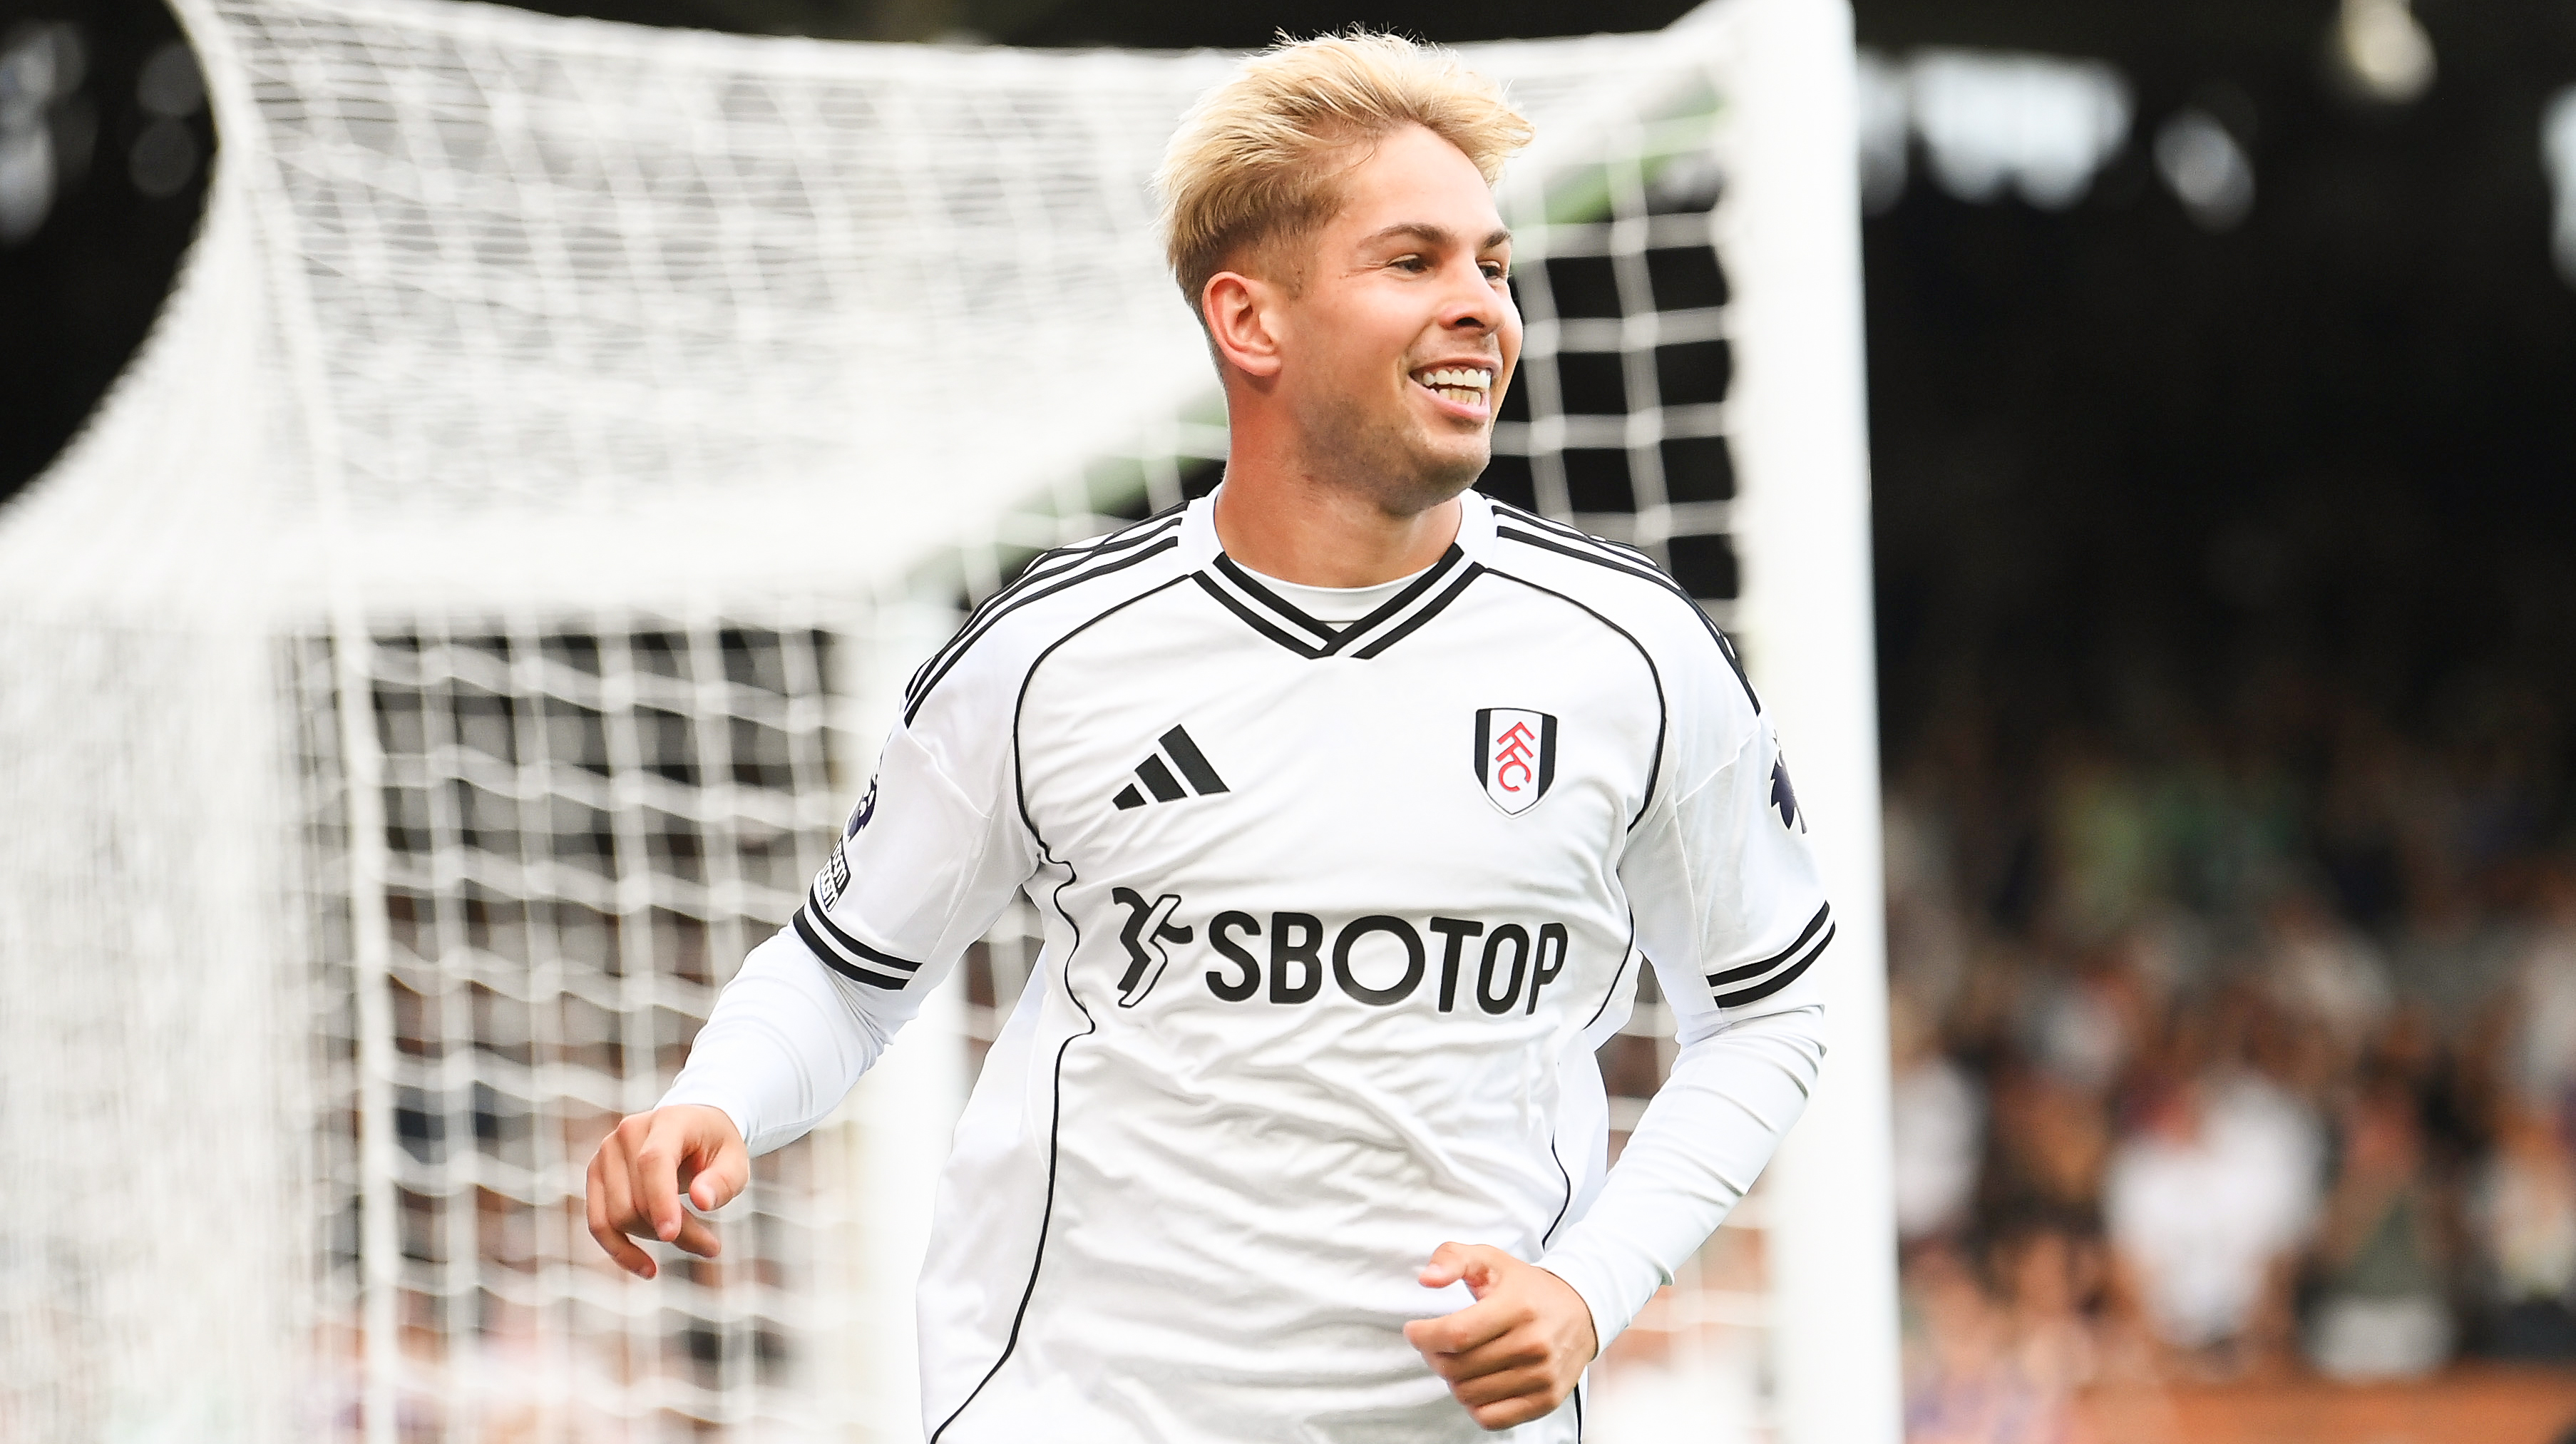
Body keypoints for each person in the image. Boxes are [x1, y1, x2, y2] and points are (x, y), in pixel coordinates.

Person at [583, 32, 1833, 1442]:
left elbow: (1769, 1010)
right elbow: (847, 968)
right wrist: (719, 1097)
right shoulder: (1048, 654)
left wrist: (1590, 1285)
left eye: (1490, 263)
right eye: (1411, 260)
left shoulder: (1633, 655)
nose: (1482, 305)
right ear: (1251, 322)